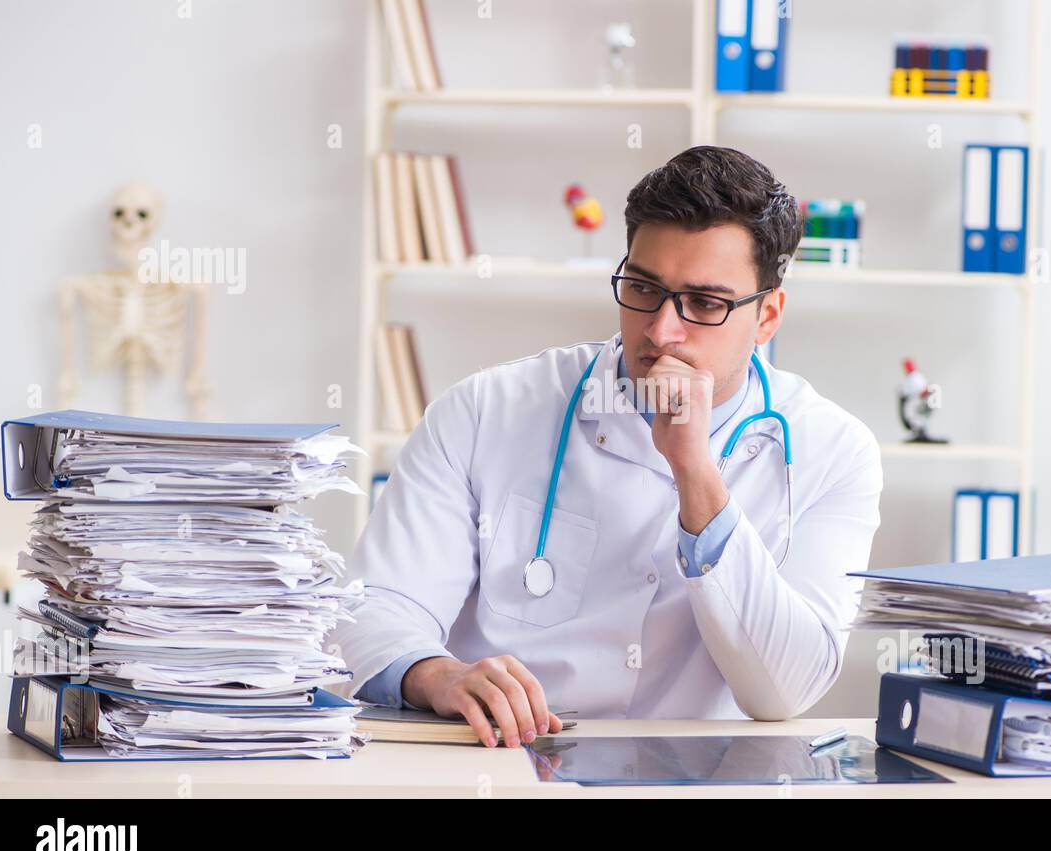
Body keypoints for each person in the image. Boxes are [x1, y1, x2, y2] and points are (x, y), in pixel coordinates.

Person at [329, 146, 882, 748]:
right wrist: (434, 674)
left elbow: (785, 689)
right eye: (644, 288)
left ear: (768, 316)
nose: (662, 329)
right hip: (506, 766)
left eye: (705, 303)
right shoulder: (488, 410)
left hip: (698, 782)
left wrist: (695, 473)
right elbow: (373, 609)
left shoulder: (834, 450)